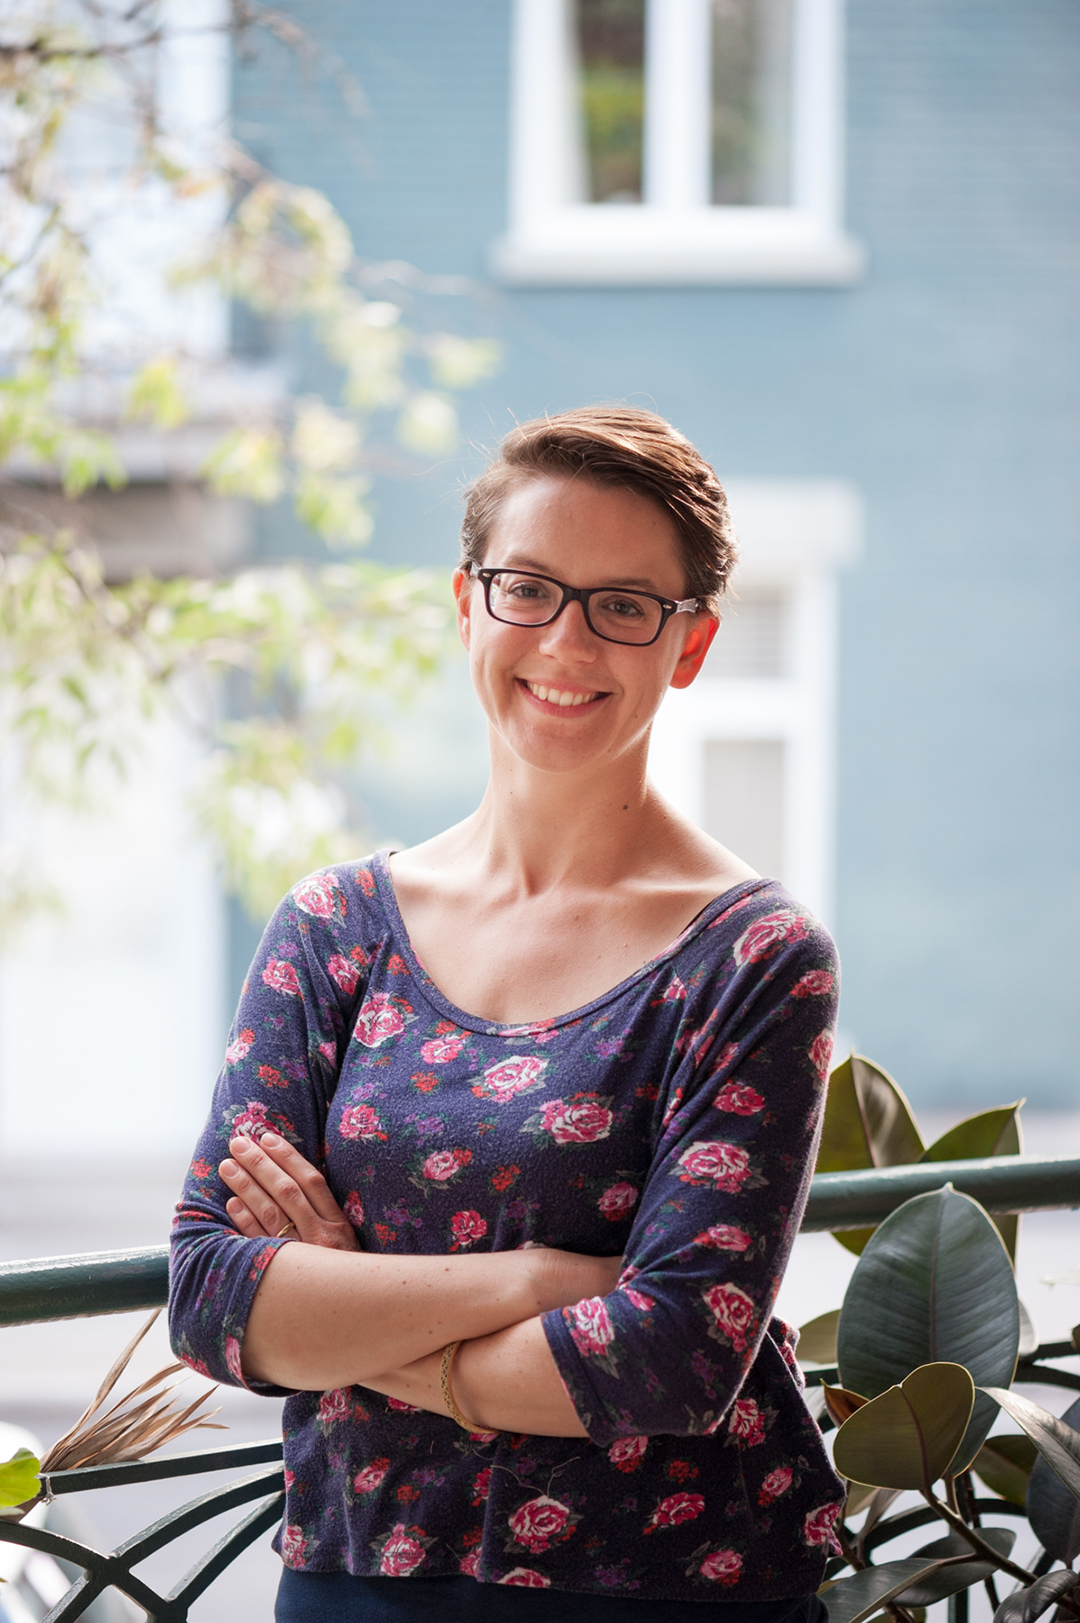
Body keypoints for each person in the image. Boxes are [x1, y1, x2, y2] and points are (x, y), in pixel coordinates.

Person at [169, 407, 844, 1622]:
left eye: (625, 605)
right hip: (359, 1572)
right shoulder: (333, 930)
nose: (567, 640)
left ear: (687, 647)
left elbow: (675, 1356)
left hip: (669, 1591)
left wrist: (346, 1301)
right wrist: (542, 1277)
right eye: (529, 587)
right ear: (467, 605)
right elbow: (217, 1300)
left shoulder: (755, 956)